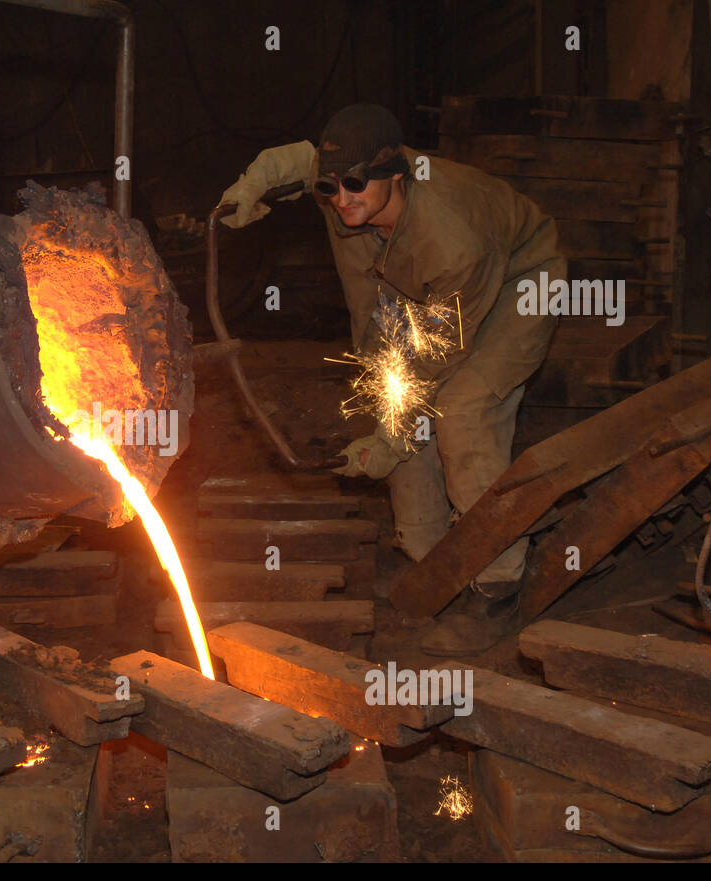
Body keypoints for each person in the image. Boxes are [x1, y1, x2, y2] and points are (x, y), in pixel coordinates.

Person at [219, 103, 566, 655]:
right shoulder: (350, 189)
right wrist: (251, 186)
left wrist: (387, 442)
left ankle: (498, 585)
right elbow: (297, 160)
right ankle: (433, 564)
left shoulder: (454, 240)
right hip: (420, 283)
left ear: (396, 175)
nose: (341, 199)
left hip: (518, 283)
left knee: (462, 410)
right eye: (330, 187)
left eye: (355, 185)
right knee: (390, 395)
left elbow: (437, 355)